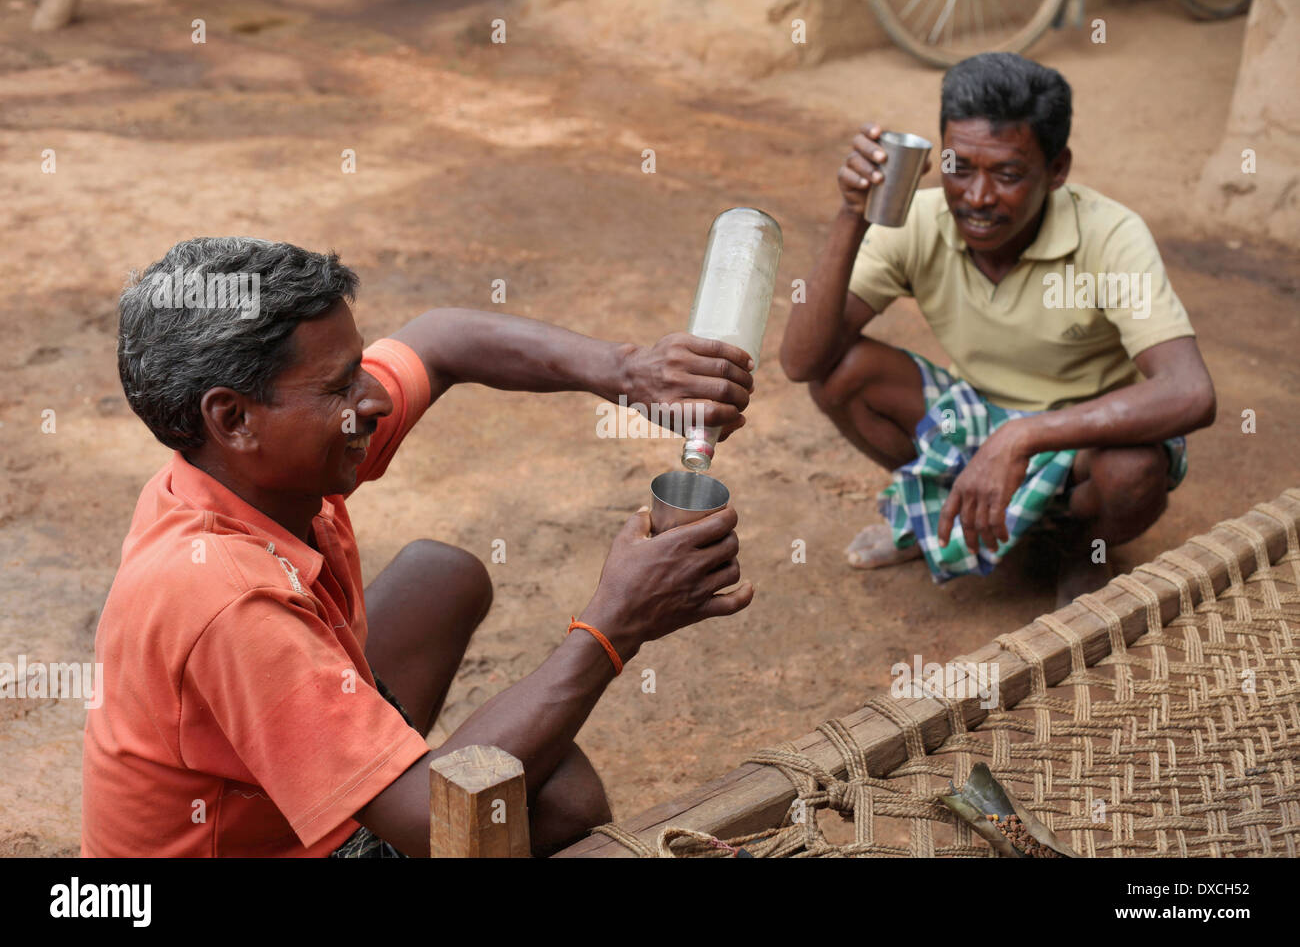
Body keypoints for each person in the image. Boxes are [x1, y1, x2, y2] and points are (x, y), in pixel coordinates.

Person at [82, 237, 755, 858]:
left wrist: (625, 370)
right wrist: (616, 627)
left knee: (442, 577)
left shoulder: (243, 468)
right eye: (341, 385)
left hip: (266, 779)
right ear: (232, 417)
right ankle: (373, 771)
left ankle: (361, 761)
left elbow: (442, 341)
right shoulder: (227, 601)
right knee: (556, 800)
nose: (372, 399)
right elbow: (434, 820)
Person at [780, 52, 1216, 605]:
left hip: (1082, 438)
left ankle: (1082, 548)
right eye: (959, 167)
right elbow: (801, 361)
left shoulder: (1110, 235)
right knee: (842, 374)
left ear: (1057, 170)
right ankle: (944, 506)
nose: (978, 197)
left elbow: (1190, 392)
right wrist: (851, 217)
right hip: (973, 416)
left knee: (1134, 469)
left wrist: (1024, 434)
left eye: (1008, 174)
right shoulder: (920, 219)